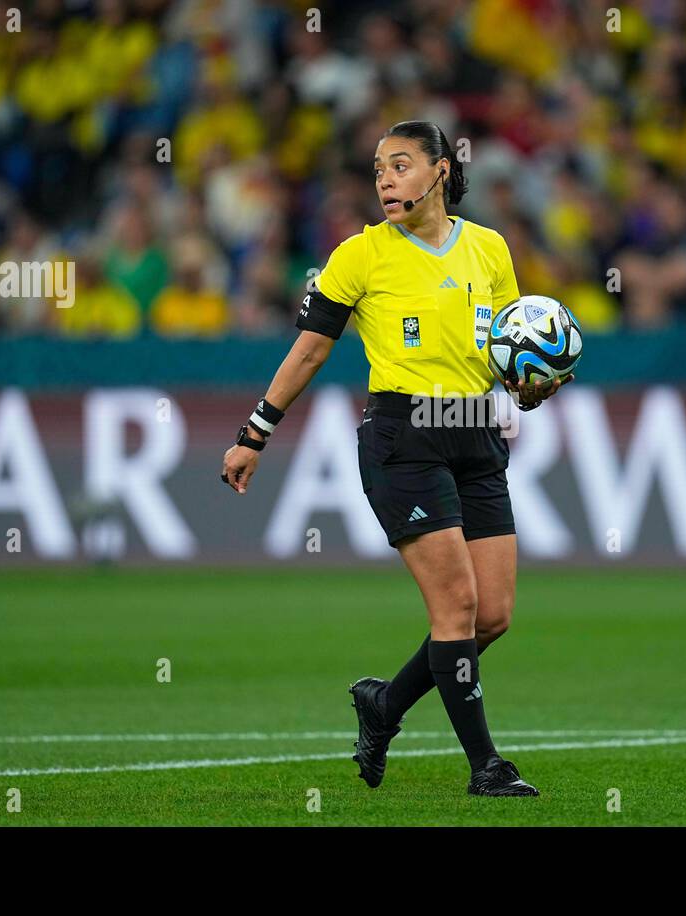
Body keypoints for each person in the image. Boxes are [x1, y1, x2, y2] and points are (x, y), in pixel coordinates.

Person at [220, 121, 570, 796]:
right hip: (403, 440)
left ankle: (384, 705)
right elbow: (311, 350)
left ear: (441, 170)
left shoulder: (490, 249)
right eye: (379, 167)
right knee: (456, 607)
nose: (384, 178)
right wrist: (255, 432)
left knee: (492, 615)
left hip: (475, 436)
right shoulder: (359, 255)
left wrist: (530, 385)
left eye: (401, 165)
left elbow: (505, 354)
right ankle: (487, 767)